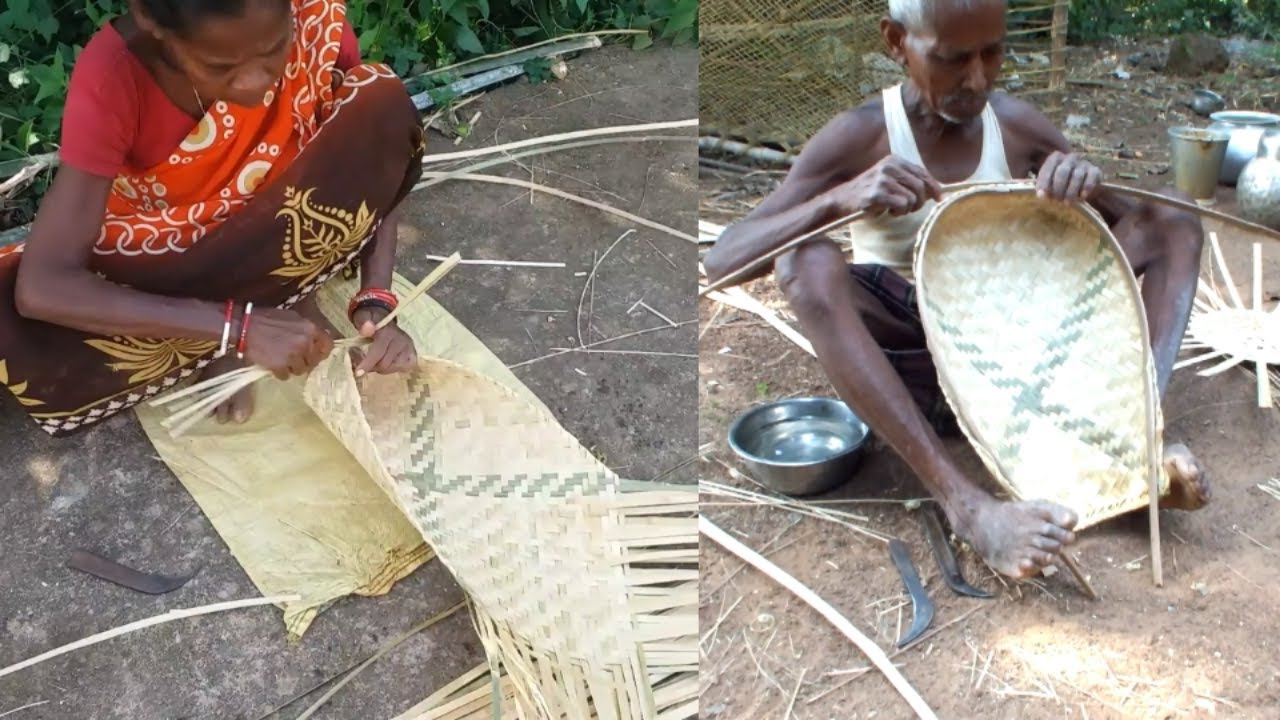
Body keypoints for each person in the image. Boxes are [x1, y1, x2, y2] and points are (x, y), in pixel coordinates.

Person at [704, 0, 1211, 579]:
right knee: (805, 261)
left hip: (1026, 363)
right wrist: (838, 200)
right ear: (896, 41)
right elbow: (722, 261)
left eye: (991, 53)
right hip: (916, 361)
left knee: (1177, 217)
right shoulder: (863, 136)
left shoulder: (1015, 125)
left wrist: (1082, 183)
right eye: (951, 59)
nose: (977, 79)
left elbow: (1146, 226)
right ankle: (966, 507)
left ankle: (1137, 443)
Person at [0, 0, 423, 436]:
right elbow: (42, 286)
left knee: (378, 102)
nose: (258, 81)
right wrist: (235, 329)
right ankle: (222, 331)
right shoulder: (114, 77)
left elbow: (372, 159)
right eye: (221, 65)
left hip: (284, 225)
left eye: (275, 47)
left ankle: (289, 295)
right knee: (20, 327)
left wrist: (376, 303)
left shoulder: (310, 17)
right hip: (180, 260)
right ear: (151, 21)